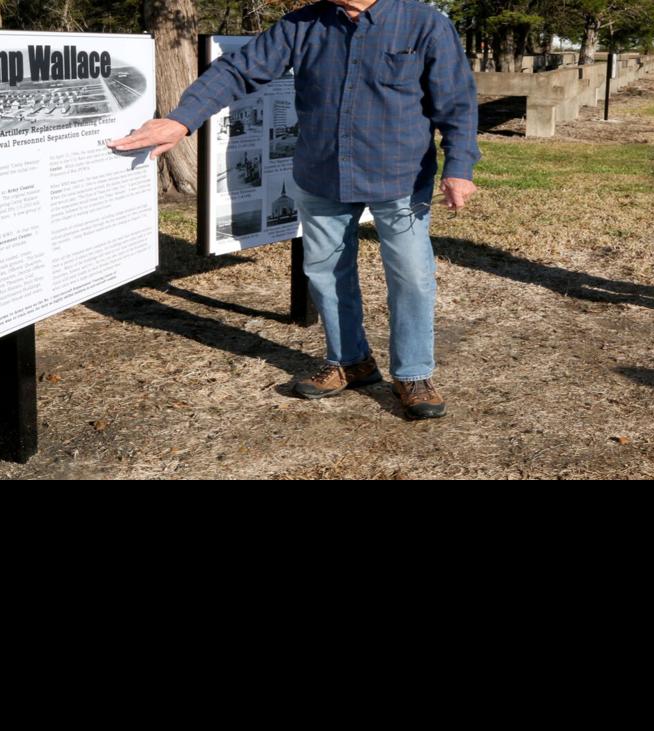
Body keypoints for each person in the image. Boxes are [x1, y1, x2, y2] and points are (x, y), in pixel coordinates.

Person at [112, 0, 478, 418]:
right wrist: (182, 120)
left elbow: (457, 102)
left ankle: (413, 373)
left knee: (411, 274)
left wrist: (460, 166)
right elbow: (238, 69)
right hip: (322, 174)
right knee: (325, 271)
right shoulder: (302, 24)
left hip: (399, 176)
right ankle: (350, 361)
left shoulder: (425, 23)